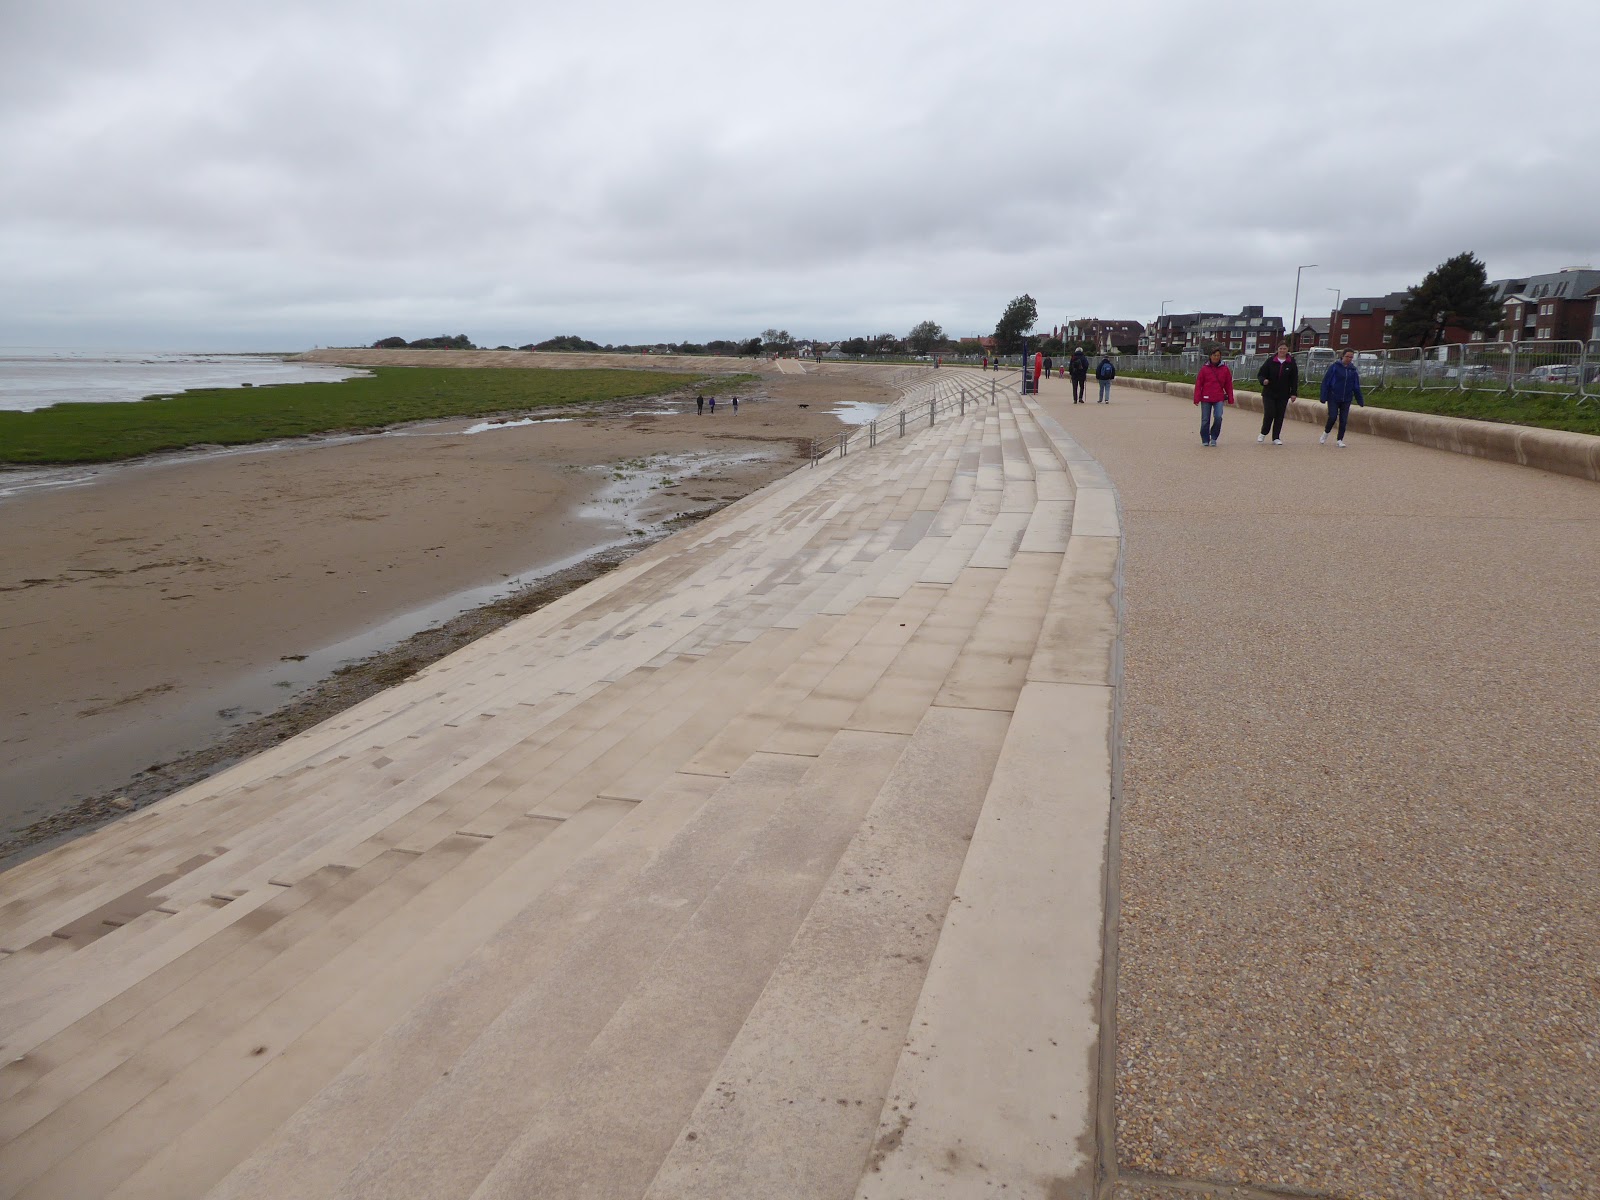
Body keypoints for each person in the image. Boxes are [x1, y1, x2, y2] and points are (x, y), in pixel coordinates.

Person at [1256, 342, 1300, 444]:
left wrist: (1293, 393)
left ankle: (1276, 437)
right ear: (1277, 349)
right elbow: (1261, 374)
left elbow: (1294, 379)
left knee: (1279, 415)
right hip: (1269, 392)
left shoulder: (1291, 362)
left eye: (1284, 349)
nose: (1282, 351)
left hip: (1283, 393)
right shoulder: (1270, 361)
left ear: (1287, 350)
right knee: (1270, 413)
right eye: (1280, 349)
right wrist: (1263, 381)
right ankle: (1263, 432)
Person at [1319, 349, 1364, 446]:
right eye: (1347, 356)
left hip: (1346, 398)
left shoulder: (1353, 370)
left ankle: (1340, 439)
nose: (1349, 359)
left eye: (1351, 357)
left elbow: (1356, 386)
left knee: (1343, 419)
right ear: (1342, 356)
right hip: (1333, 396)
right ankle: (1326, 433)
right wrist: (1323, 396)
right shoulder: (1334, 367)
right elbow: (1326, 382)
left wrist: (1359, 399)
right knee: (1333, 416)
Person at [1193, 347, 1234, 447]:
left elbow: (1228, 384)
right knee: (1205, 419)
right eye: (1214, 355)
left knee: (1218, 417)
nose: (1216, 357)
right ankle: (1205, 438)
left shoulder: (1225, 369)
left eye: (1218, 356)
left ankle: (1214, 436)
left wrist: (1230, 397)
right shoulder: (1204, 369)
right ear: (1210, 356)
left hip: (1218, 397)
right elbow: (1199, 384)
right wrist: (1196, 398)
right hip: (1206, 397)